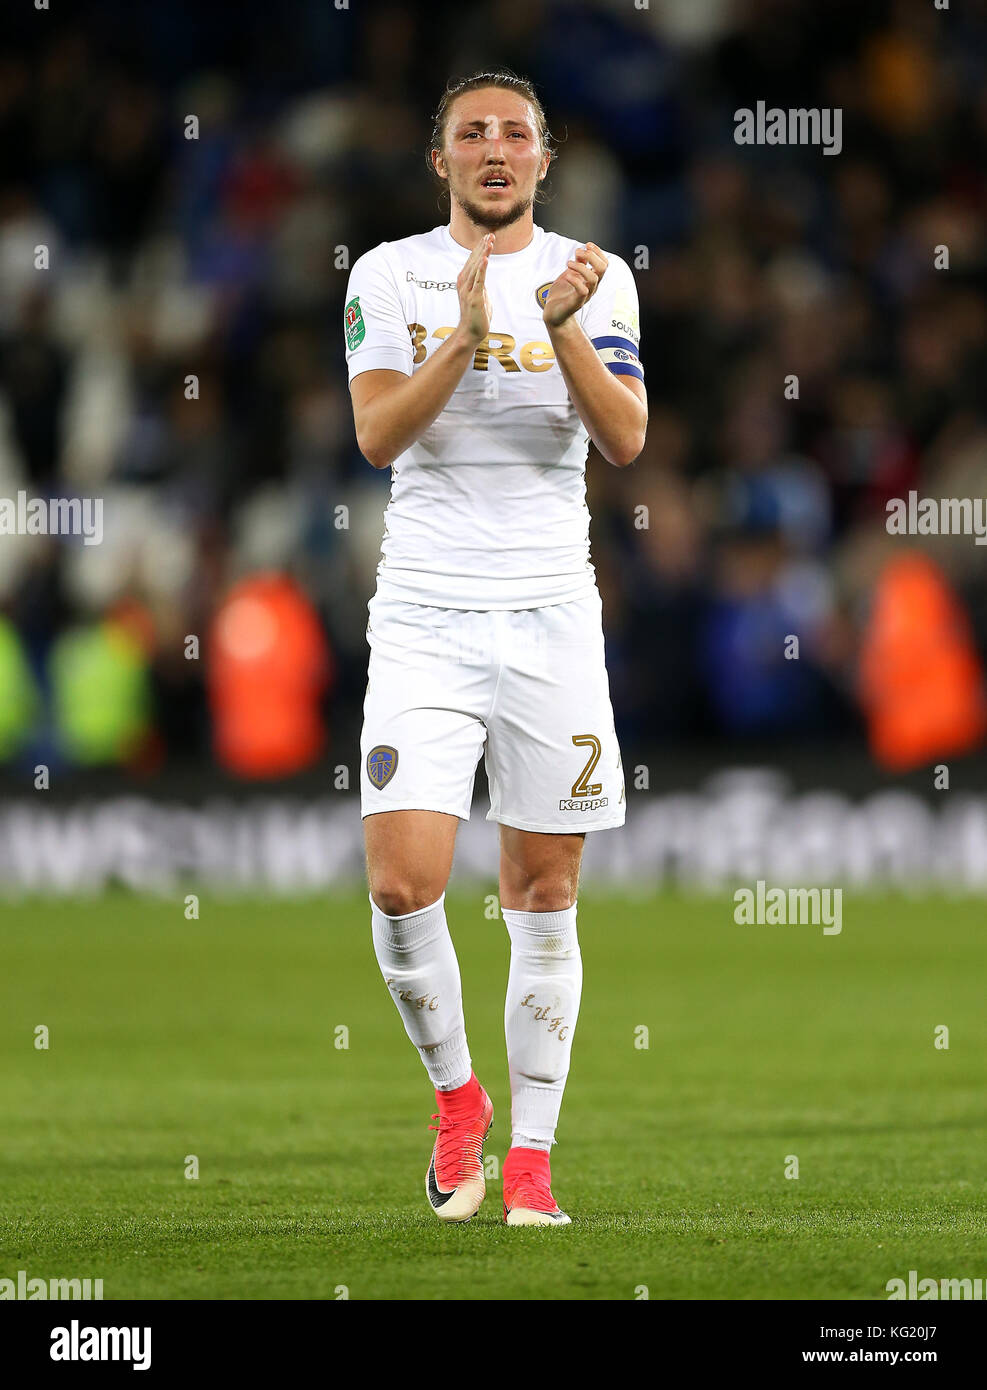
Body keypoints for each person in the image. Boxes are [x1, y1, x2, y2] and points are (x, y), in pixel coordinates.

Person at [344, 70, 647, 1226]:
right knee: (400, 880)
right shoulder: (390, 273)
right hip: (424, 613)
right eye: (471, 132)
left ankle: (532, 1162)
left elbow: (623, 437)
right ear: (442, 161)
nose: (494, 149)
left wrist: (559, 330)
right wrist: (464, 342)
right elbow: (376, 434)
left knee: (544, 889)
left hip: (551, 617)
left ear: (543, 159)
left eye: (514, 132)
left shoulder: (594, 275)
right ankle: (456, 1096)